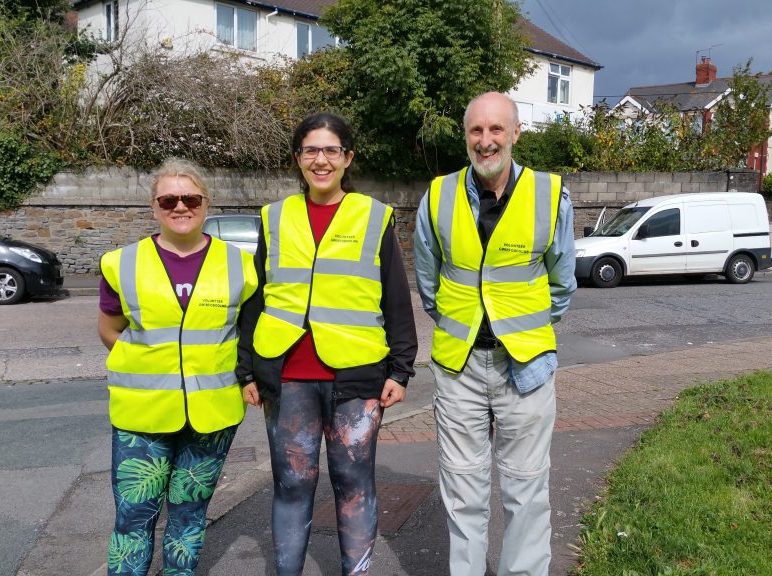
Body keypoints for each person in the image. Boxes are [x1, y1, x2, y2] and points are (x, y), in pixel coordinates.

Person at [237, 112, 418, 576]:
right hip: (287, 377)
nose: (321, 160)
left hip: (357, 378)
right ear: (297, 158)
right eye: (311, 150)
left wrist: (400, 370)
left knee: (354, 483)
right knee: (292, 484)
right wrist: (246, 371)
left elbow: (395, 296)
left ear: (347, 157)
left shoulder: (374, 216)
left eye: (331, 150)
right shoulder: (274, 217)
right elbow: (255, 297)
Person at [413, 92, 577, 576]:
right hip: (459, 366)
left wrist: (523, 329)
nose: (486, 142)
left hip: (525, 366)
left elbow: (563, 283)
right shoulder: (438, 195)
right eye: (476, 131)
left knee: (526, 487)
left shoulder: (550, 194)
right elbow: (428, 281)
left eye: (496, 130)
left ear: (516, 133)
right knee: (462, 488)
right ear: (466, 137)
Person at [97, 159, 258, 576]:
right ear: (154, 206)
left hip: (212, 416)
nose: (180, 206)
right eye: (169, 199)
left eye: (191, 198)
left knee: (188, 520)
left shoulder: (240, 265)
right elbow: (110, 331)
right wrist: (152, 360)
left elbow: (248, 336)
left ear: (206, 204)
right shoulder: (121, 263)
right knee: (133, 519)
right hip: (141, 416)